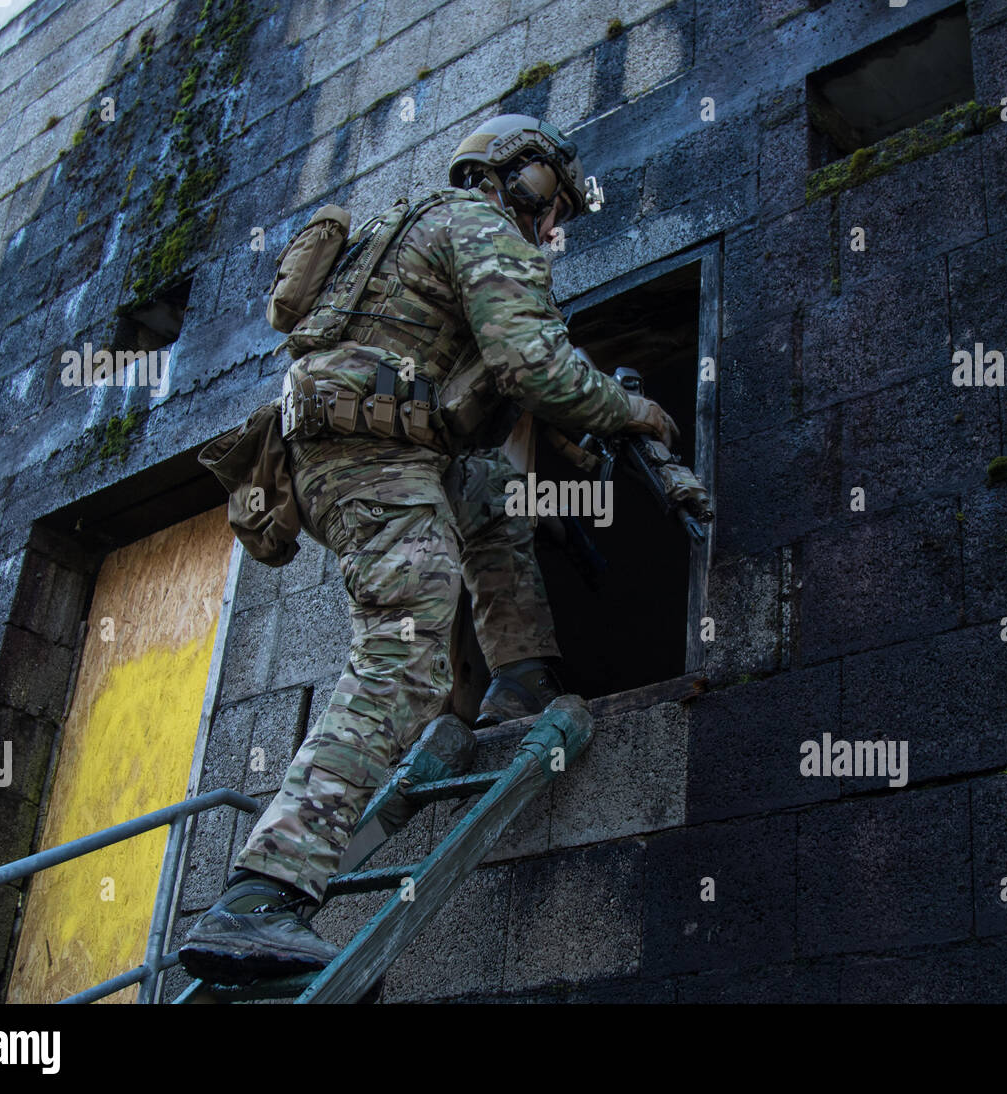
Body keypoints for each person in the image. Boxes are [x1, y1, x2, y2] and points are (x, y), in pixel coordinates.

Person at [178, 114, 679, 984]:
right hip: (372, 457)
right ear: (519, 177)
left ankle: (522, 675)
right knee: (405, 650)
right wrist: (631, 410)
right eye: (555, 201)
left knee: (487, 494)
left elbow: (482, 392)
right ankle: (263, 895)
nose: (555, 227)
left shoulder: (403, 226)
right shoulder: (485, 228)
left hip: (360, 452)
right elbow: (535, 367)